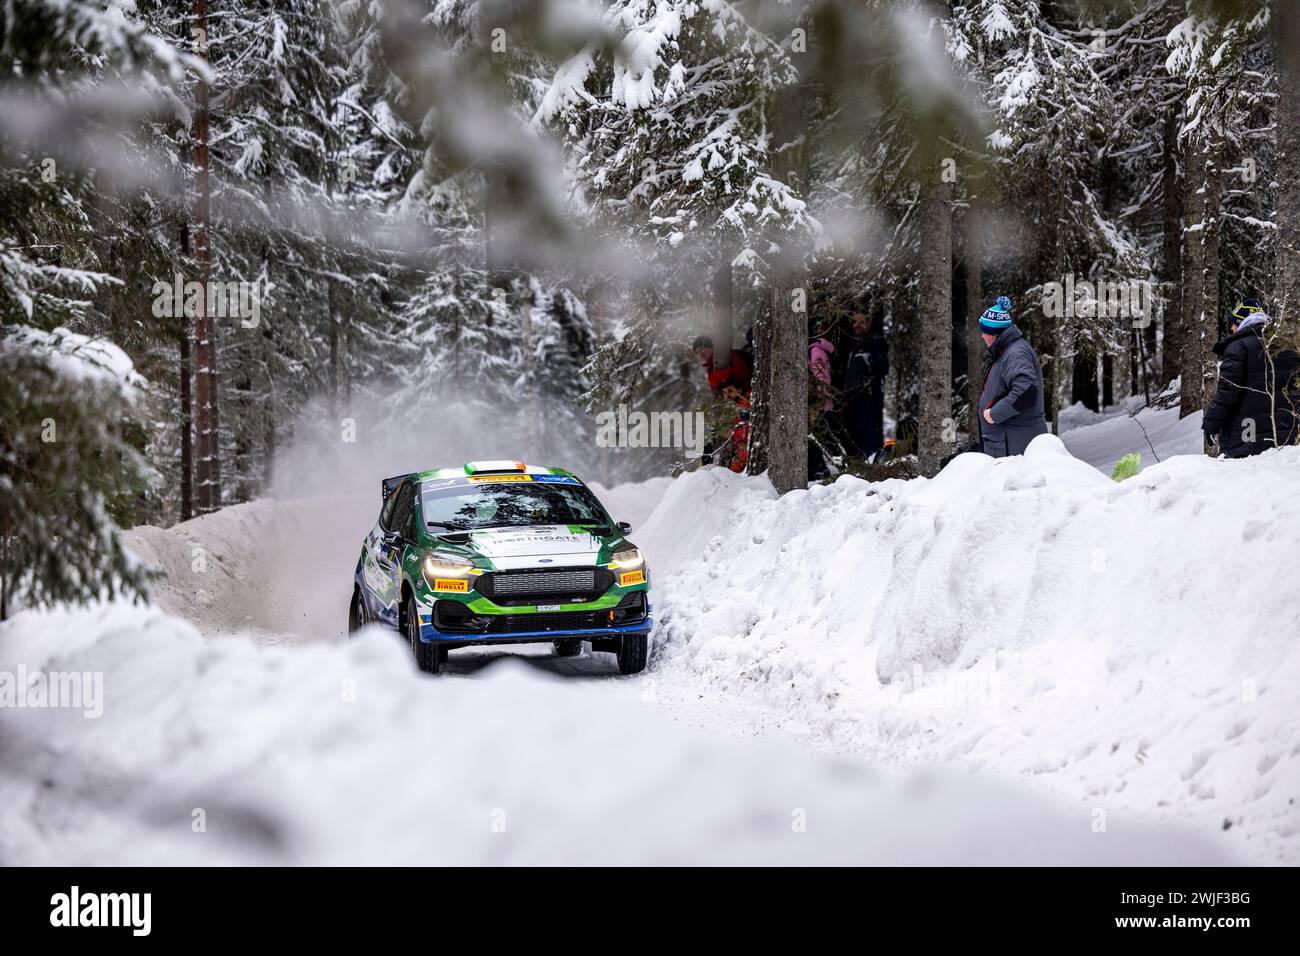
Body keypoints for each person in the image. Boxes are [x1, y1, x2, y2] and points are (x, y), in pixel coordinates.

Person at [1202, 298, 1300, 457]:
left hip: (1246, 441)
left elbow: (1227, 392)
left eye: (1234, 322)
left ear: (1242, 321)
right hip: (1287, 440)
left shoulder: (1237, 348)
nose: (1232, 327)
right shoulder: (1287, 346)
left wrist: (1211, 425)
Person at [976, 295, 1048, 457]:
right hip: (1006, 444)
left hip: (1014, 447)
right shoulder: (1005, 351)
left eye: (985, 331)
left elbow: (1027, 391)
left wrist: (995, 414)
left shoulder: (1015, 353)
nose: (982, 336)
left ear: (995, 333)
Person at [841, 311, 889, 458]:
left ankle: (871, 462)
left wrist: (870, 382)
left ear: (868, 324)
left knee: (868, 432)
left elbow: (883, 368)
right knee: (857, 432)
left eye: (861, 322)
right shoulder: (855, 343)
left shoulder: (875, 342)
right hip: (854, 397)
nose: (857, 325)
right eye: (855, 322)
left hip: (869, 395)